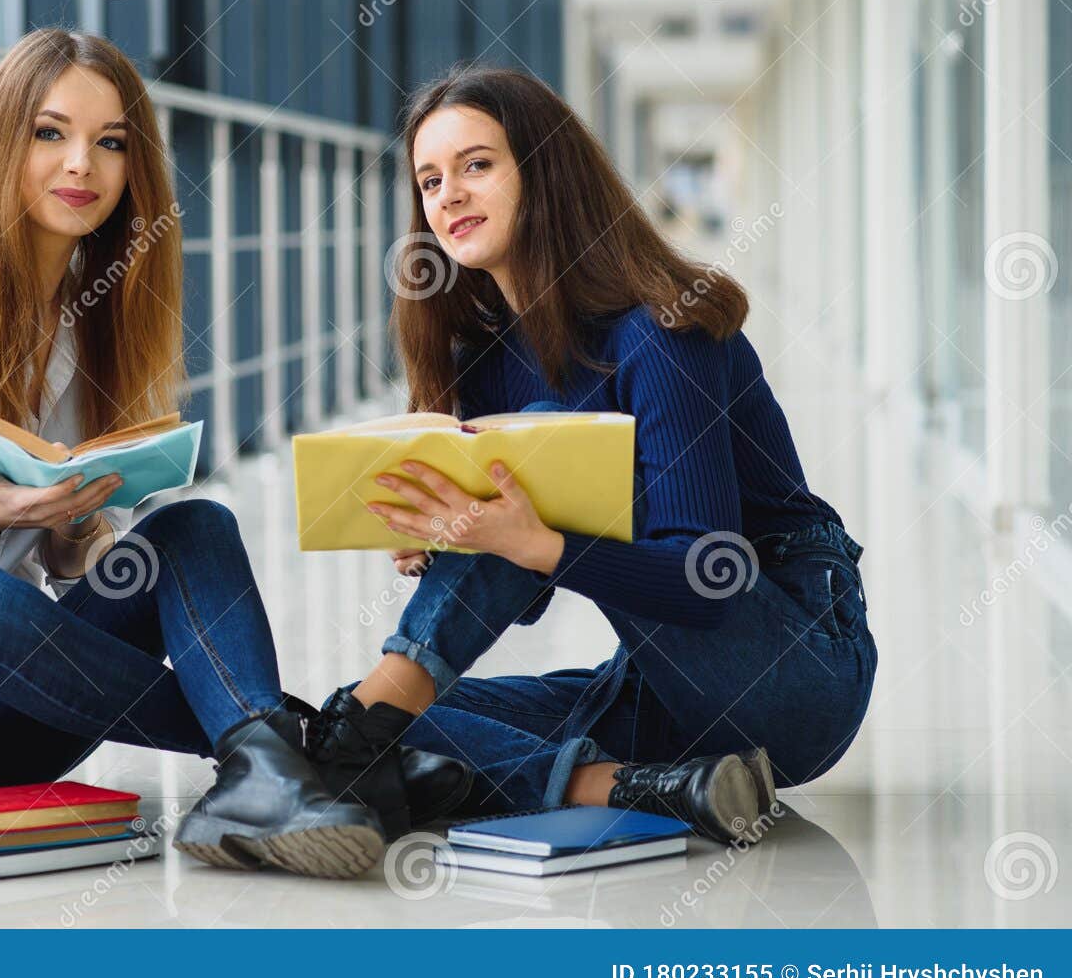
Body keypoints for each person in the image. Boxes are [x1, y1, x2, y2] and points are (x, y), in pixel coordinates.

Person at [0, 28, 465, 879]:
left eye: (110, 143)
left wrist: (72, 531)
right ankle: (316, 755)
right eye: (50, 133)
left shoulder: (92, 322)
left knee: (194, 528)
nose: (83, 164)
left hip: (27, 713)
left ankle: (266, 763)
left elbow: (73, 578)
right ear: (2, 141)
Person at [300, 65, 877, 843]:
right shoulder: (485, 357)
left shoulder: (660, 330)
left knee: (364, 724)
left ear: (544, 172)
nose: (448, 196)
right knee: (397, 729)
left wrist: (519, 534)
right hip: (663, 696)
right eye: (430, 180)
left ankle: (361, 722)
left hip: (791, 671)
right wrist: (450, 539)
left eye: (477, 165)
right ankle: (646, 789)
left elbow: (706, 580)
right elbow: (526, 594)